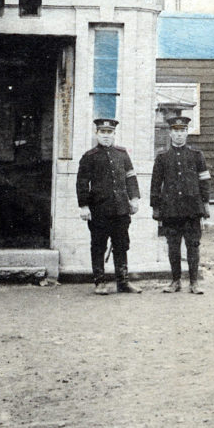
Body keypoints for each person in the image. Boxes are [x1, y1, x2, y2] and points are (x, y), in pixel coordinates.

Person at [76, 118, 141, 295]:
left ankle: (123, 282)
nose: (106, 136)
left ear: (114, 134)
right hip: (99, 210)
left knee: (121, 245)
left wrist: (134, 199)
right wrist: (84, 206)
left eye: (109, 132)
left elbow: (131, 177)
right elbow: (82, 183)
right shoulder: (89, 157)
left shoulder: (122, 154)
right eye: (102, 132)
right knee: (98, 245)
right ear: (96, 133)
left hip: (121, 209)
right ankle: (99, 282)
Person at [150, 112, 212, 294]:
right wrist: (156, 206)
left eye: (182, 130)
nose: (179, 134)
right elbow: (155, 183)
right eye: (175, 131)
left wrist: (206, 203)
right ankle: (175, 281)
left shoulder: (196, 155)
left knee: (193, 246)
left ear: (187, 133)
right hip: (171, 210)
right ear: (170, 133)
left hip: (192, 209)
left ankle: (194, 282)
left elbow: (204, 181)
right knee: (173, 246)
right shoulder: (162, 158)